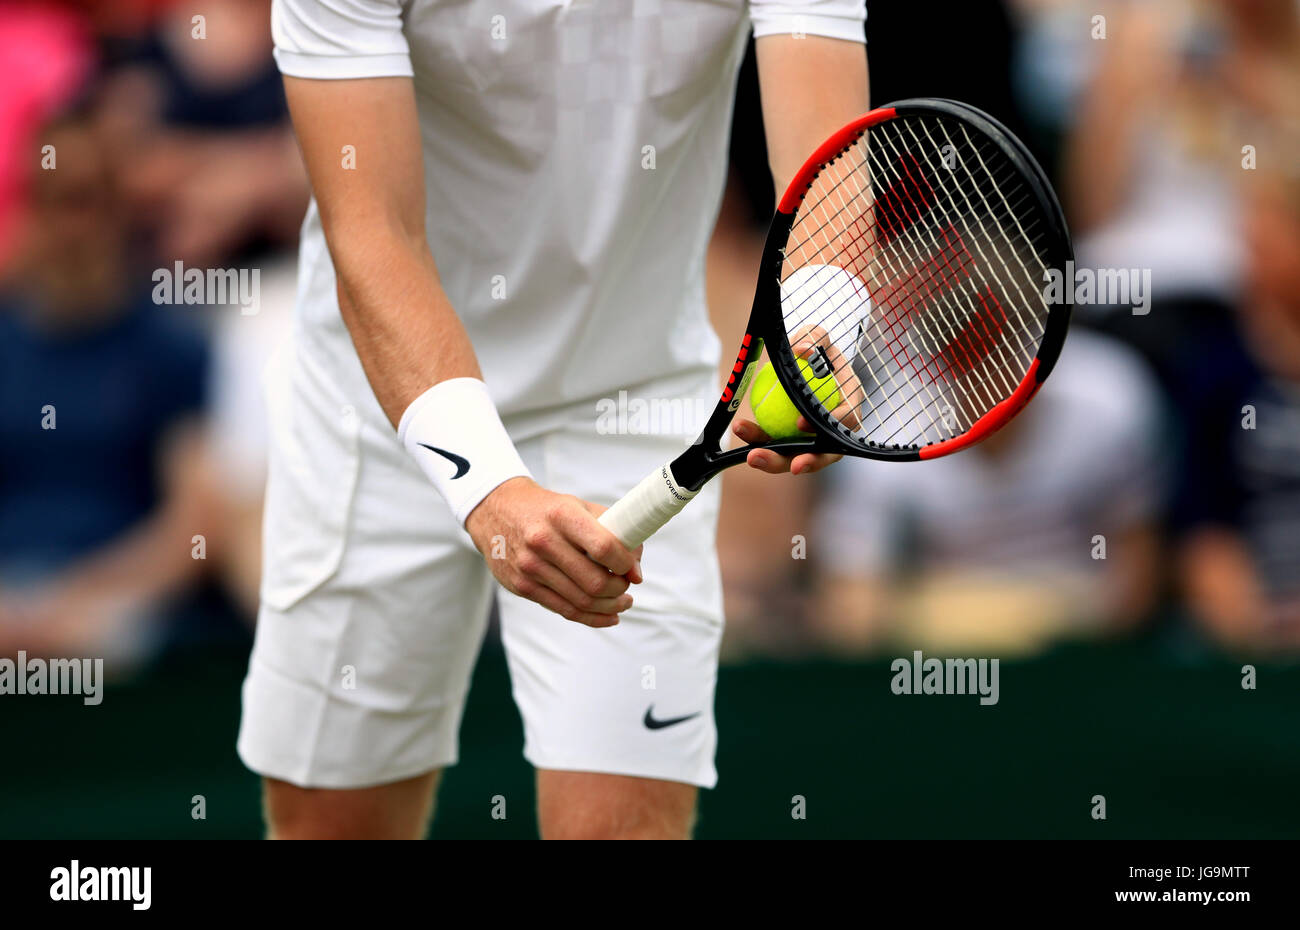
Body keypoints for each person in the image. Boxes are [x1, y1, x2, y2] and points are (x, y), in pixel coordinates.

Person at [237, 0, 870, 839]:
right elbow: (374, 236)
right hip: (379, 404)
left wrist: (816, 336)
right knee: (334, 829)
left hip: (636, 397)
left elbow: (825, 173)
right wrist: (490, 488)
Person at [811, 328, 1166, 656]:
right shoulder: (885, 429)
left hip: (1080, 663)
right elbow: (851, 603)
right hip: (940, 667)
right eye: (967, 355)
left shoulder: (1110, 394)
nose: (988, 374)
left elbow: (1138, 571)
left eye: (1003, 346)